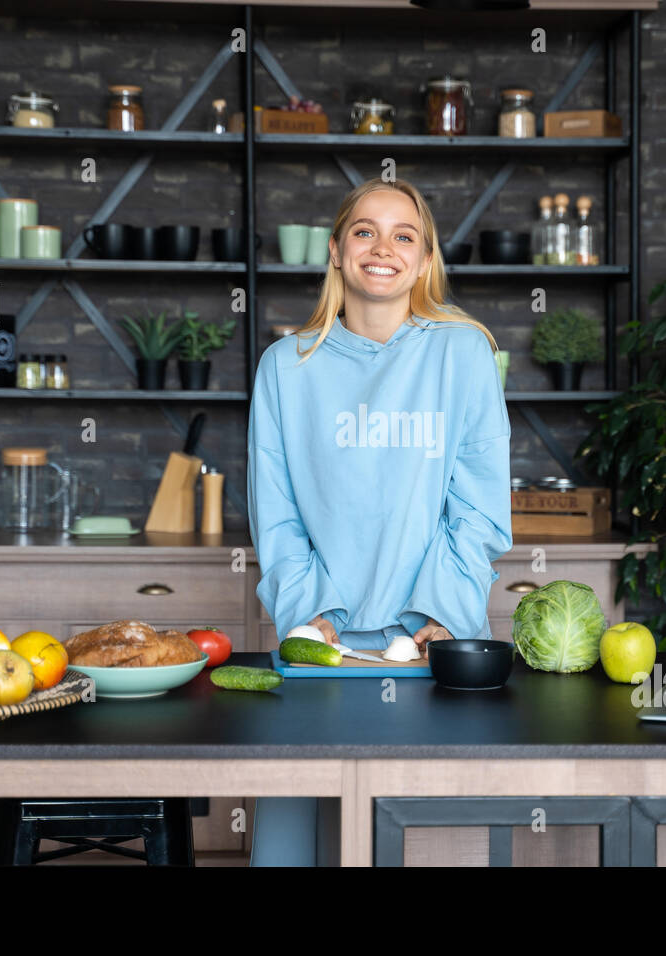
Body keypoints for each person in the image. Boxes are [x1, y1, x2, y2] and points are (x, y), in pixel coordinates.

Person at [246, 178, 513, 865]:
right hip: (321, 651)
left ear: (424, 260)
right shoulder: (285, 367)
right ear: (336, 251)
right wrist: (311, 616)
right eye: (364, 231)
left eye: (404, 235)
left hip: (433, 649)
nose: (383, 248)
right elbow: (275, 518)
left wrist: (445, 614)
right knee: (291, 845)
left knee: (423, 841)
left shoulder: (464, 354)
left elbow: (479, 508)